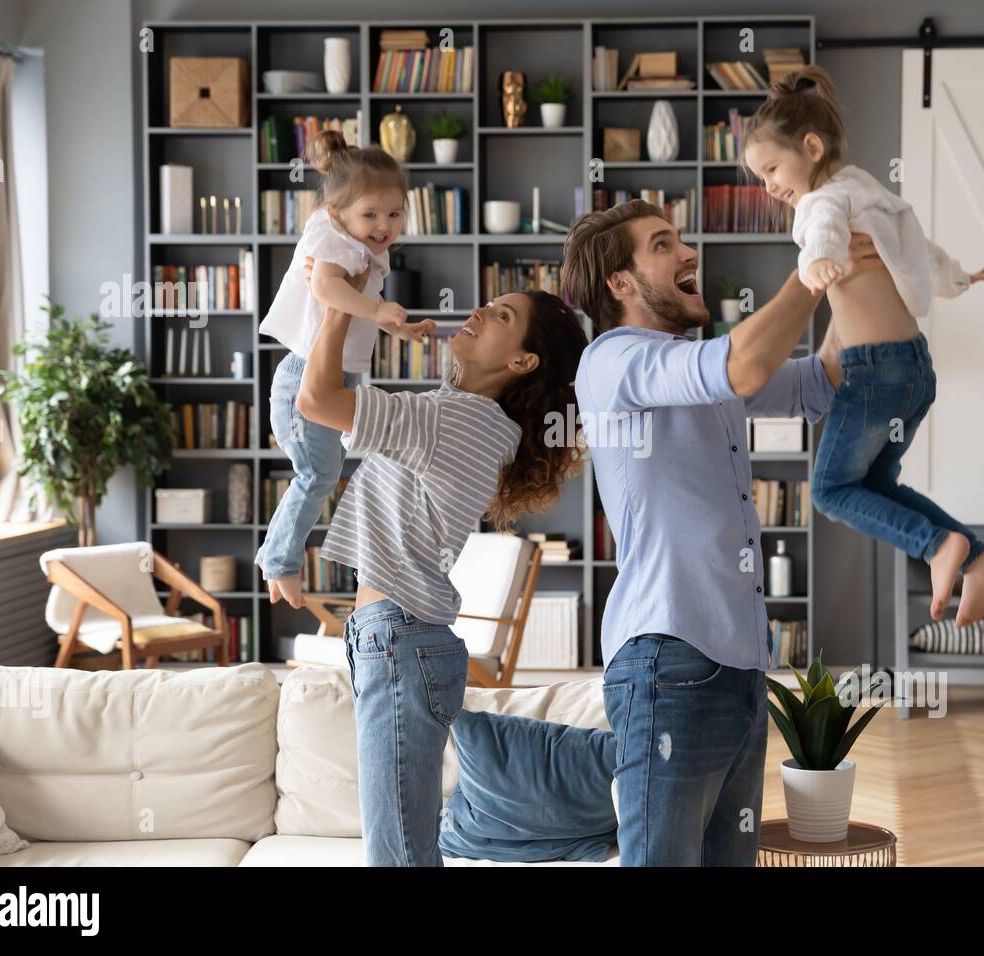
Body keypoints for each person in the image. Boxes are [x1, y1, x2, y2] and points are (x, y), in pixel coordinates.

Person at [561, 198, 883, 865]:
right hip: (667, 657)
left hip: (737, 665)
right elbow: (743, 367)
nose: (687, 254)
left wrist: (853, 282)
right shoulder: (612, 359)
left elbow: (815, 384)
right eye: (662, 245)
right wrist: (814, 267)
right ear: (620, 284)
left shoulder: (692, 367)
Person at [295, 270, 587, 866]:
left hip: (399, 638)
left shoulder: (456, 420)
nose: (479, 311)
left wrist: (338, 306)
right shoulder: (471, 420)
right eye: (488, 304)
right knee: (403, 846)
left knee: (397, 853)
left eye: (502, 317)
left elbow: (316, 401)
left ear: (525, 362)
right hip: (401, 638)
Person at [741, 63, 984, 627]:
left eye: (771, 168)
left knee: (833, 491)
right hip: (914, 371)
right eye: (759, 177)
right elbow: (922, 250)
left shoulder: (822, 204)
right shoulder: (874, 192)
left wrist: (816, 265)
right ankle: (977, 557)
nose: (768, 187)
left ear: (811, 146)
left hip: (874, 374)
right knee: (877, 486)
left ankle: (939, 546)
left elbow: (823, 232)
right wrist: (956, 277)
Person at [255, 130, 432, 609]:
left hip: (336, 379)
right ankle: (280, 563)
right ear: (339, 211)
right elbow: (329, 292)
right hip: (304, 378)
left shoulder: (363, 247)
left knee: (333, 473)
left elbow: (362, 304)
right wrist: (378, 313)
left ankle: (295, 561)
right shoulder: (332, 240)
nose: (383, 225)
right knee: (317, 475)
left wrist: (401, 330)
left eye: (394, 214)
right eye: (370, 214)